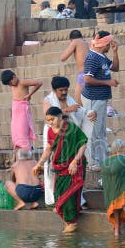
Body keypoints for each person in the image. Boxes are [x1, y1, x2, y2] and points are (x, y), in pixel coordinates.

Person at [42, 75, 95, 206]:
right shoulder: (48, 100)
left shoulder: (69, 99)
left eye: (66, 89)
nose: (64, 92)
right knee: (52, 167)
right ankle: (55, 198)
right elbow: (48, 117)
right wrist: (66, 110)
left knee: (75, 167)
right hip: (54, 137)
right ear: (54, 90)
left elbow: (81, 111)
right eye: (61, 90)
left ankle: (77, 198)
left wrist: (92, 112)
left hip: (70, 137)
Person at [34, 107, 87, 233]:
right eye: (48, 120)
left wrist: (75, 161)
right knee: (59, 194)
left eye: (52, 119)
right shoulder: (50, 132)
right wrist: (39, 164)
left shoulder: (71, 128)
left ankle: (72, 223)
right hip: (60, 167)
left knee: (69, 194)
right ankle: (68, 222)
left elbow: (83, 144)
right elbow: (49, 149)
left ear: (59, 116)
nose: (50, 123)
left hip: (74, 165)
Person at [81, 30, 119, 171]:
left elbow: (115, 67)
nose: (110, 46)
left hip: (101, 98)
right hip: (93, 98)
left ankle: (102, 160)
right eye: (109, 44)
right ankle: (92, 163)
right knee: (92, 132)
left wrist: (115, 52)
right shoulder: (92, 57)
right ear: (103, 43)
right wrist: (107, 83)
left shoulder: (102, 56)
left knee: (100, 131)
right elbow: (87, 79)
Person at [0, 69, 41, 151]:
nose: (10, 85)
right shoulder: (13, 85)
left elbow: (39, 83)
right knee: (15, 133)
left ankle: (26, 151)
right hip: (15, 111)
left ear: (14, 77)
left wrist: (30, 94)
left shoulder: (22, 82)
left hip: (22, 110)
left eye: (10, 82)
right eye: (9, 84)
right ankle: (17, 156)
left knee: (22, 132)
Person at [60, 29, 90, 101]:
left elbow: (63, 58)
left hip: (83, 74)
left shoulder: (75, 41)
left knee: (78, 101)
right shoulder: (86, 43)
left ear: (71, 39)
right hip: (92, 74)